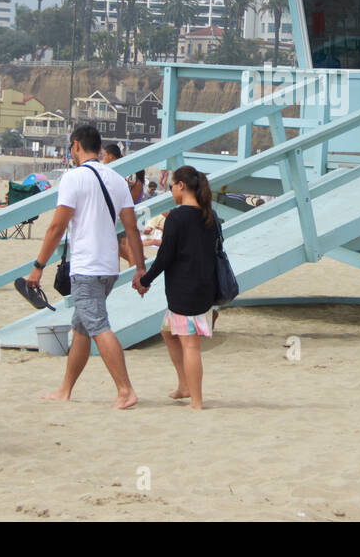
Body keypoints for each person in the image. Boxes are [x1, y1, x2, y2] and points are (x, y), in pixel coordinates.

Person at [24, 125, 146, 409]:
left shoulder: (73, 178)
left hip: (87, 267)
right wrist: (140, 268)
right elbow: (131, 229)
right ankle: (65, 389)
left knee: (98, 326)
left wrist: (39, 265)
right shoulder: (116, 180)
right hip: (109, 267)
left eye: (70, 147)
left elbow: (57, 226)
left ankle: (125, 390)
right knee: (81, 327)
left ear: (76, 146)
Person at [133, 166, 220, 410]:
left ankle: (197, 401)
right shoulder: (209, 216)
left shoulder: (177, 218)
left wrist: (144, 280)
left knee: (190, 345)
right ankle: (184, 385)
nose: (170, 190)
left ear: (181, 186)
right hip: (204, 287)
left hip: (185, 290)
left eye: (171, 185)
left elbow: (164, 257)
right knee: (167, 331)